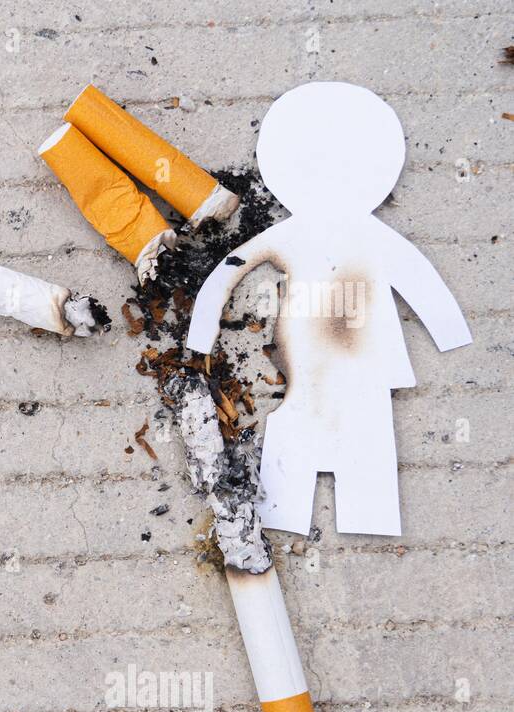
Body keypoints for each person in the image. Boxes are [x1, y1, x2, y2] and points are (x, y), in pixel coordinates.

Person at [187, 82, 471, 537]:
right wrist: (200, 332)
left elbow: (228, 270)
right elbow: (228, 270)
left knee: (364, 445)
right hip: (306, 365)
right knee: (300, 439)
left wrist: (449, 330)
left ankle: (360, 511)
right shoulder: (304, 235)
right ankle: (289, 510)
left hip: (360, 366)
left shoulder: (365, 236)